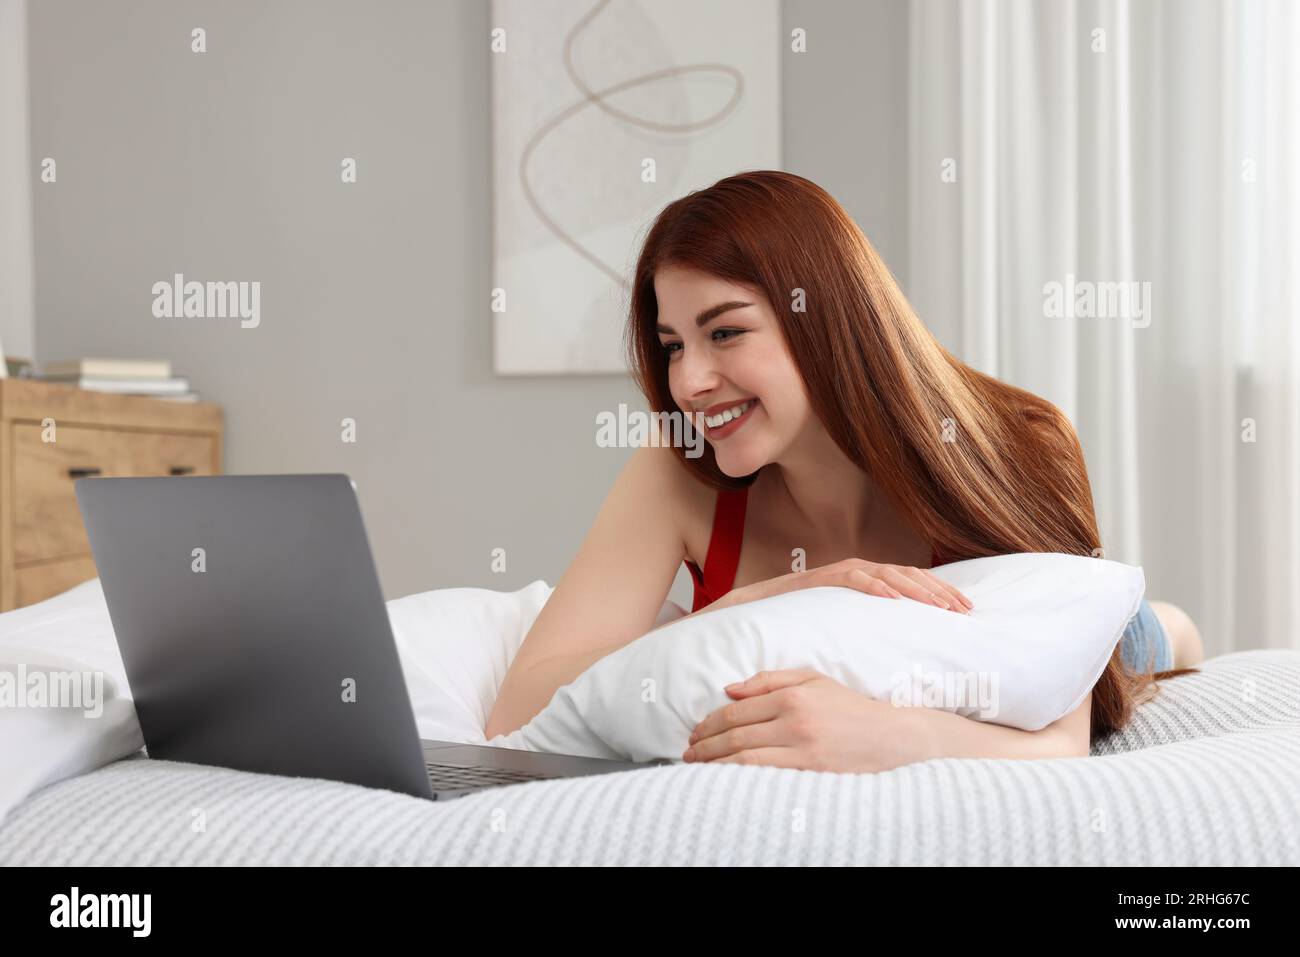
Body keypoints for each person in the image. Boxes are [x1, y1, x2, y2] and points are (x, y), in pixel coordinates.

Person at [485, 170, 1204, 771]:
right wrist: (773, 596)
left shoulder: (1024, 443)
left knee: (1144, 640)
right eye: (673, 344)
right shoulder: (677, 471)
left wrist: (887, 736)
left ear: (825, 318)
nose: (689, 381)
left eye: (726, 331)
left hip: (1110, 638)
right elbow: (517, 713)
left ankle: (1167, 623)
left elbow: (1061, 740)